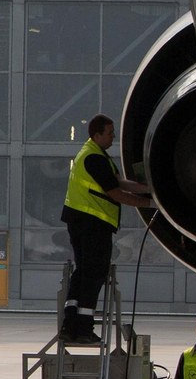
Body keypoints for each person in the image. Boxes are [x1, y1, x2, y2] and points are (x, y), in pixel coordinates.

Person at [61, 114, 152, 343]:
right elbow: (116, 193)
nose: (113, 137)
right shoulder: (94, 158)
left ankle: (69, 324)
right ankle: (83, 328)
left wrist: (146, 187)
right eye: (110, 133)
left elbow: (119, 182)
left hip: (83, 223)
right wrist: (148, 203)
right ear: (97, 134)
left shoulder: (94, 155)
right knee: (94, 274)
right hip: (92, 224)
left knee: (82, 273)